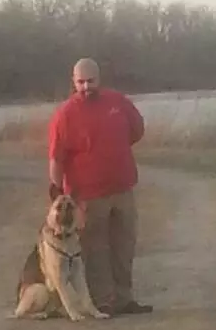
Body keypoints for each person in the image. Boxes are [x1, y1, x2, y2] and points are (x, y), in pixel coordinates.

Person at [47, 57, 153, 316]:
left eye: (90, 81)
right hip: (87, 196)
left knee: (123, 246)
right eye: (80, 82)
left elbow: (136, 131)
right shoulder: (65, 115)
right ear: (73, 81)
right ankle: (104, 303)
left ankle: (125, 300)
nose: (85, 87)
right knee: (95, 250)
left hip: (123, 189)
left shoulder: (118, 103)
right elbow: (56, 158)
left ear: (99, 79)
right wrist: (56, 193)